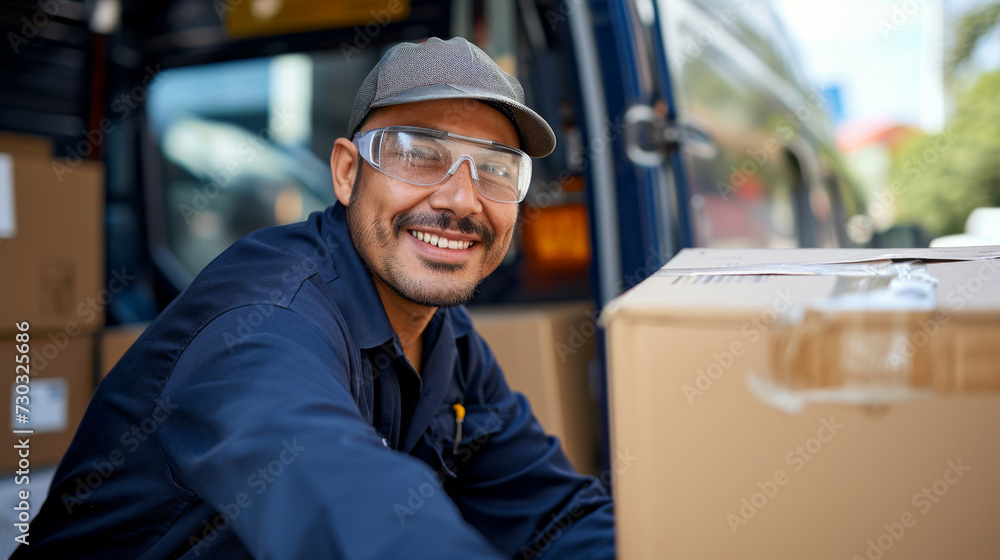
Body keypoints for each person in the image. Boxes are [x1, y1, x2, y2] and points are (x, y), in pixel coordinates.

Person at [14, 37, 615, 559]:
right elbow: (355, 518)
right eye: (418, 154)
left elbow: (554, 516)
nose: (461, 199)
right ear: (348, 173)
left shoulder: (445, 341)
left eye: (495, 168)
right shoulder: (263, 322)